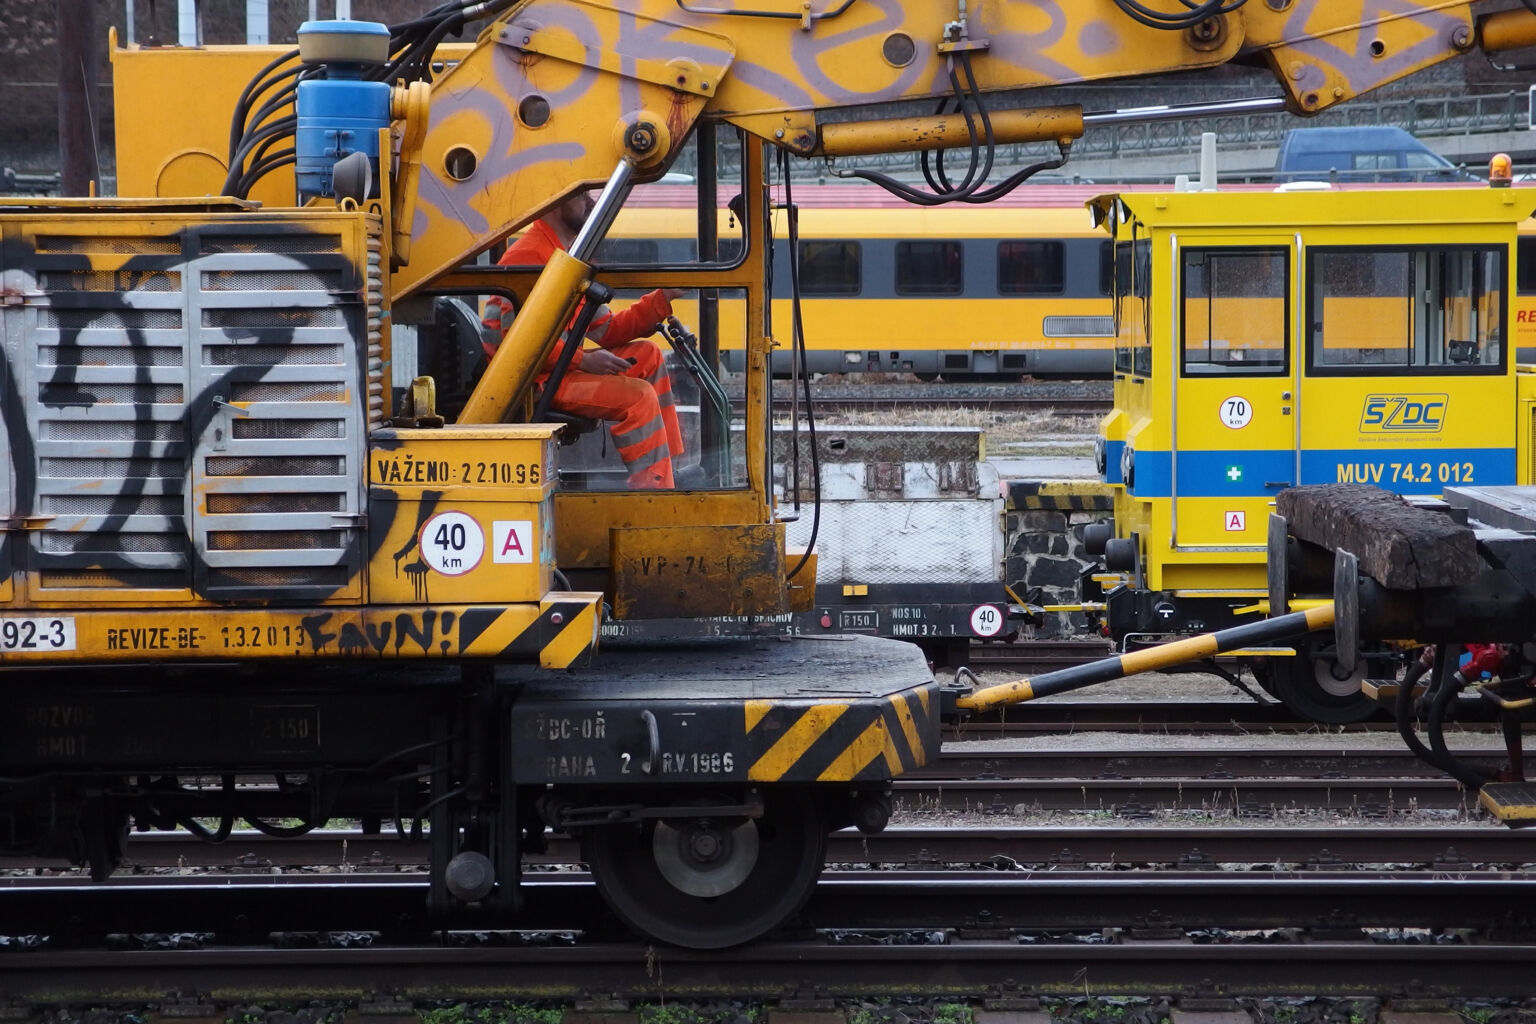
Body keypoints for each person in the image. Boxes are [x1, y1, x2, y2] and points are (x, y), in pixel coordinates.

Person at [482, 191, 686, 489]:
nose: (590, 202)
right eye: (580, 195)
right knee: (638, 396)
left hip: (558, 369)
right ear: (554, 202)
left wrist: (661, 299)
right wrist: (585, 360)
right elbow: (520, 347)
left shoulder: (565, 256)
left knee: (648, 355)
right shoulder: (530, 257)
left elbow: (606, 330)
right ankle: (654, 492)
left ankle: (668, 470)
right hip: (533, 383)